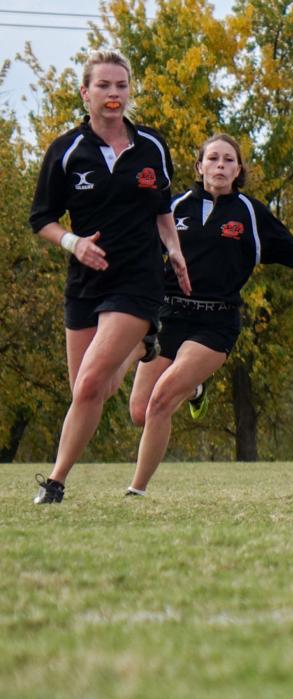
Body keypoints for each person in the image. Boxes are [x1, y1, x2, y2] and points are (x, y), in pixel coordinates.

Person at [124, 134, 293, 496]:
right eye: (213, 158)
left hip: (215, 323)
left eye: (228, 160)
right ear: (199, 167)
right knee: (140, 412)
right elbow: (137, 251)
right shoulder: (174, 207)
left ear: (238, 170)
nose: (220, 165)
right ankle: (195, 388)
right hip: (169, 316)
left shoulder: (250, 212)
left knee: (161, 400)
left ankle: (136, 491)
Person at [28, 50, 189, 504]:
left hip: (138, 279)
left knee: (89, 383)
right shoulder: (66, 151)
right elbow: (41, 219)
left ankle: (55, 482)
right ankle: (141, 347)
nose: (114, 93)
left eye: (121, 85)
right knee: (90, 389)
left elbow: (162, 209)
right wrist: (73, 242)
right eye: (104, 85)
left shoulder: (152, 146)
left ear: (129, 91)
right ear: (86, 93)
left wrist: (174, 248)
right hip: (85, 281)